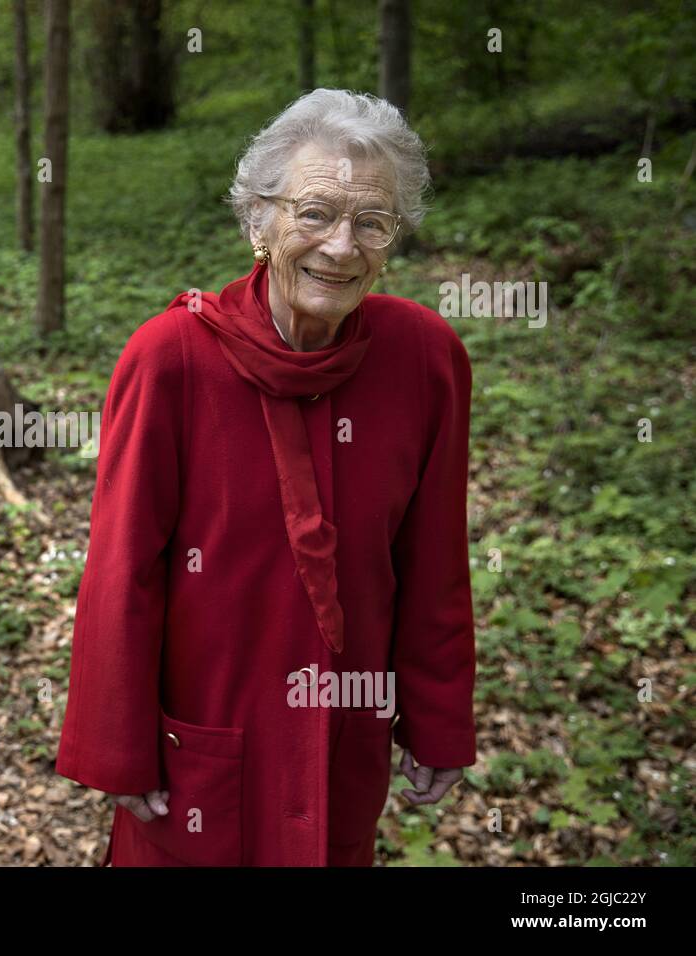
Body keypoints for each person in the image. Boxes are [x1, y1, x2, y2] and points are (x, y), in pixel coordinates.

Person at [54, 88, 477, 866]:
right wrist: (118, 746)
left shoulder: (424, 360)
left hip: (339, 744)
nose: (342, 247)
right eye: (313, 213)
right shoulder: (171, 357)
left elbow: (435, 563)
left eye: (371, 222)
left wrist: (438, 718)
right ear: (259, 221)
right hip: (199, 749)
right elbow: (123, 570)